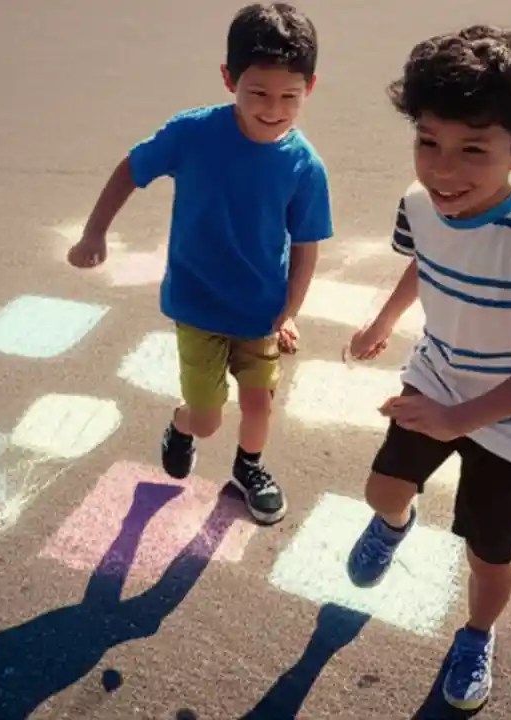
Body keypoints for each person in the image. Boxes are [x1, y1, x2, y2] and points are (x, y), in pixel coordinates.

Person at [345, 24, 511, 710]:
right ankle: (395, 527)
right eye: (428, 142)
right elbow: (424, 259)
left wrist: (460, 422)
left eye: (473, 150)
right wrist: (385, 321)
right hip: (440, 377)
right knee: (381, 491)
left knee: (488, 558)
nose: (444, 170)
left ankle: (477, 635)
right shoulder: (419, 203)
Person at [67, 2, 333, 525]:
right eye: (257, 92)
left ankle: (249, 468)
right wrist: (94, 232)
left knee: (259, 406)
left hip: (260, 311)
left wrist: (290, 309)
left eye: (289, 96)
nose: (273, 108)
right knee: (208, 418)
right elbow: (132, 168)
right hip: (199, 306)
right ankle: (182, 425)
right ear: (228, 78)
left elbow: (305, 246)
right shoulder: (192, 134)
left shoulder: (305, 165)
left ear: (311, 88)